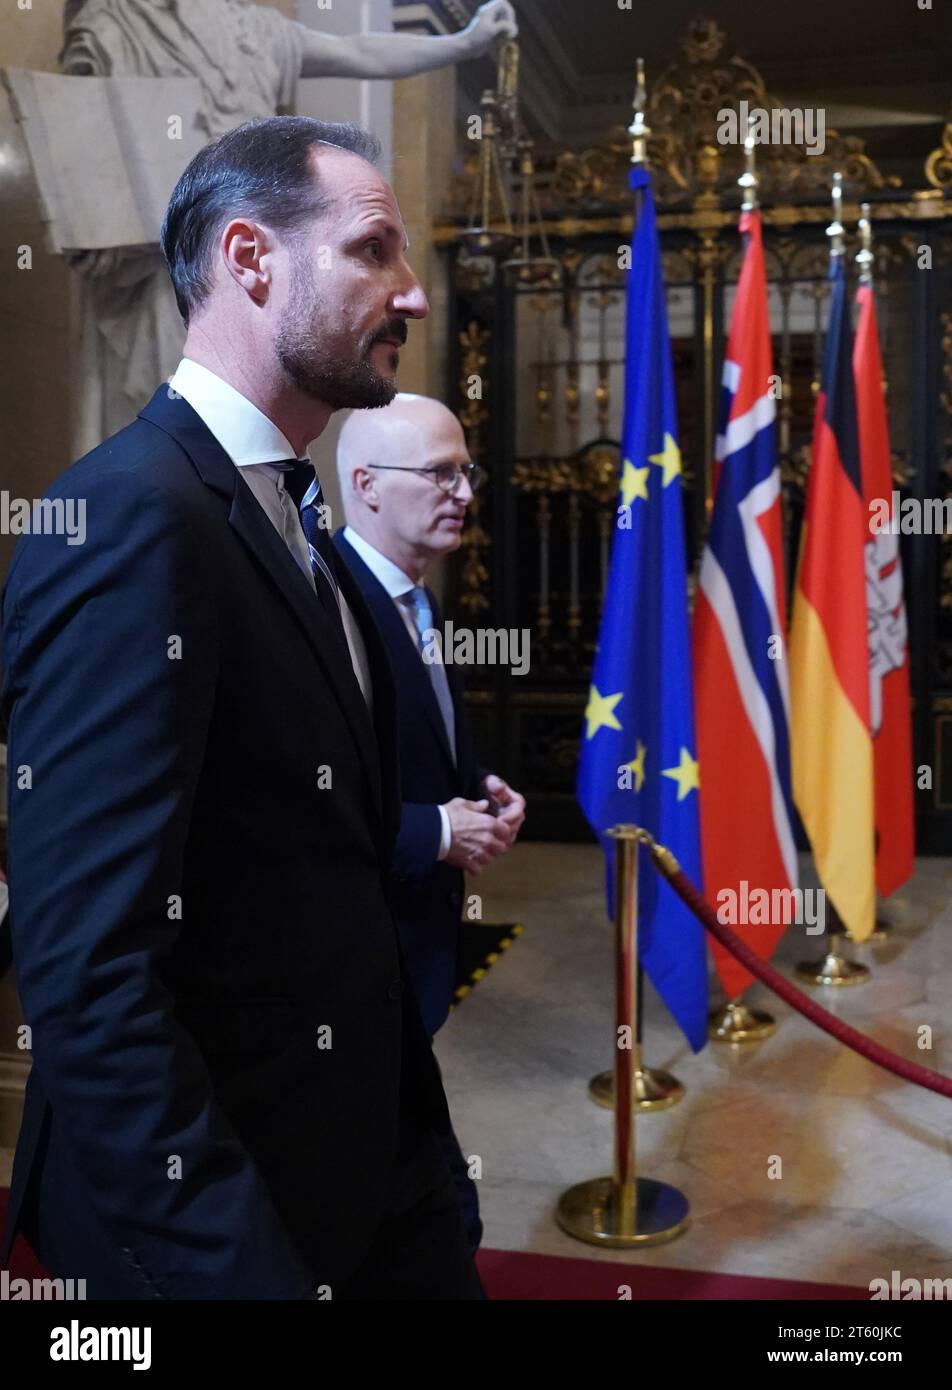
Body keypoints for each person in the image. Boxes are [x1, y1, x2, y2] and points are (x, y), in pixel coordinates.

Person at [1, 115, 482, 1300]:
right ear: (252, 261)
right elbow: (87, 971)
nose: (413, 296)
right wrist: (234, 1269)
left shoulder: (299, 514)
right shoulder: (129, 521)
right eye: (374, 249)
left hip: (375, 1176)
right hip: (232, 1222)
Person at [59, 0, 518, 456]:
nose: (414, 300)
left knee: (257, 424)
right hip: (166, 256)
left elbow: (361, 52)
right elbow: (87, 139)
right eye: (375, 250)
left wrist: (465, 42)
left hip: (257, 255)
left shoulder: (258, 30)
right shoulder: (122, 15)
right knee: (168, 408)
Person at [333, 393, 526, 1250]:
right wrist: (436, 832)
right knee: (421, 1213)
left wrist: (479, 783)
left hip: (418, 950)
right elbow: (308, 801)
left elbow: (422, 733)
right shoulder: (328, 605)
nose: (464, 492)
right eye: (441, 474)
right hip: (352, 962)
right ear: (366, 485)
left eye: (466, 472)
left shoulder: (417, 602)